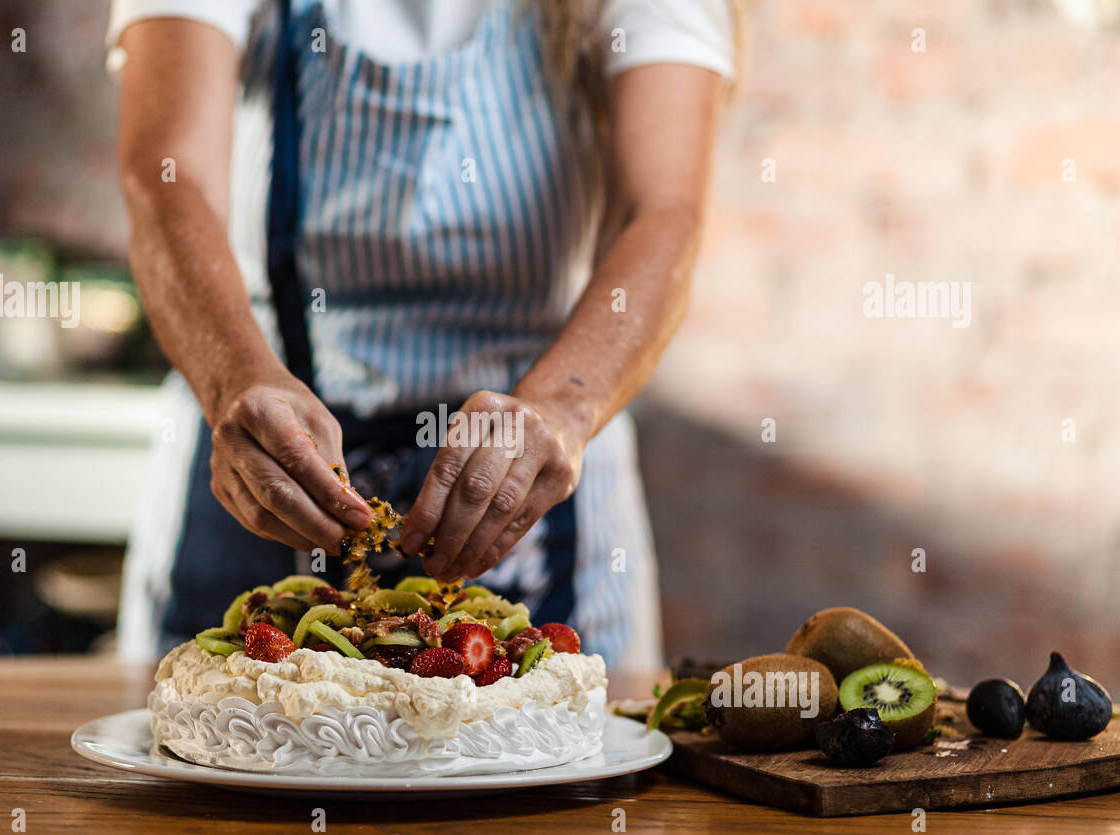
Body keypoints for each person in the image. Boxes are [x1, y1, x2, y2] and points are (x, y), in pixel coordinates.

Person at [109, 0, 735, 668]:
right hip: (253, 440)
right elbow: (169, 176)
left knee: (561, 757)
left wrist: (562, 409)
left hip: (539, 479)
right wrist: (234, 376)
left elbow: (661, 212)